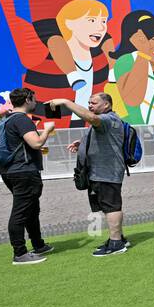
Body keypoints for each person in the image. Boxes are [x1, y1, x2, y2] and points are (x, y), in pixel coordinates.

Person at [57, 92, 130, 257]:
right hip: (98, 173)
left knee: (111, 206)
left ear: (106, 105)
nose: (90, 105)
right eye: (89, 102)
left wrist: (66, 101)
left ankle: (116, 243)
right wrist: (82, 144)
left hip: (107, 172)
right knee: (106, 206)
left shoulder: (108, 119)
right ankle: (118, 238)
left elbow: (91, 118)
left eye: (94, 103)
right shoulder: (104, 120)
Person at [0, 88, 56, 265]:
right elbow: (36, 143)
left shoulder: (8, 119)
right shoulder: (22, 120)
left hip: (10, 170)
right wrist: (47, 130)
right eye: (34, 99)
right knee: (21, 212)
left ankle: (38, 244)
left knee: (31, 209)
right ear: (27, 100)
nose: (36, 102)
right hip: (23, 171)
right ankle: (20, 253)